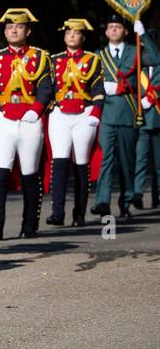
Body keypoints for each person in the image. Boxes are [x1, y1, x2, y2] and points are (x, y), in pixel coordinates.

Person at [0, 8, 54, 239]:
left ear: (27, 31)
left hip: (30, 119)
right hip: (4, 118)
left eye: (18, 26)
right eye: (9, 27)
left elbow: (47, 87)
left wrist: (37, 109)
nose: (13, 30)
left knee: (30, 174)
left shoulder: (41, 57)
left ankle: (30, 225)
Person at [92, 12, 157, 219]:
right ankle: (102, 201)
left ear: (126, 31)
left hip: (129, 114)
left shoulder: (134, 50)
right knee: (106, 159)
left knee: (127, 161)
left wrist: (144, 35)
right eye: (110, 26)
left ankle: (126, 201)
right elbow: (90, 81)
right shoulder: (98, 55)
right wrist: (104, 87)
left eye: (118, 27)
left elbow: (155, 59)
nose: (114, 29)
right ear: (106, 31)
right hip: (108, 115)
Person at [44, 19, 104, 228]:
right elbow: (47, 89)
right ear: (64, 36)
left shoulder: (93, 60)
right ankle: (57, 212)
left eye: (76, 33)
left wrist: (96, 112)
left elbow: (98, 89)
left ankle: (79, 213)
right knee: (59, 162)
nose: (71, 35)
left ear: (83, 37)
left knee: (81, 162)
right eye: (68, 32)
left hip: (84, 112)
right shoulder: (54, 60)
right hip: (60, 112)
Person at [133, 52, 160, 210]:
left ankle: (157, 195)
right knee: (140, 159)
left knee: (158, 163)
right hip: (142, 121)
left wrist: (153, 96)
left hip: (157, 120)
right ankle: (138, 193)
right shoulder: (139, 72)